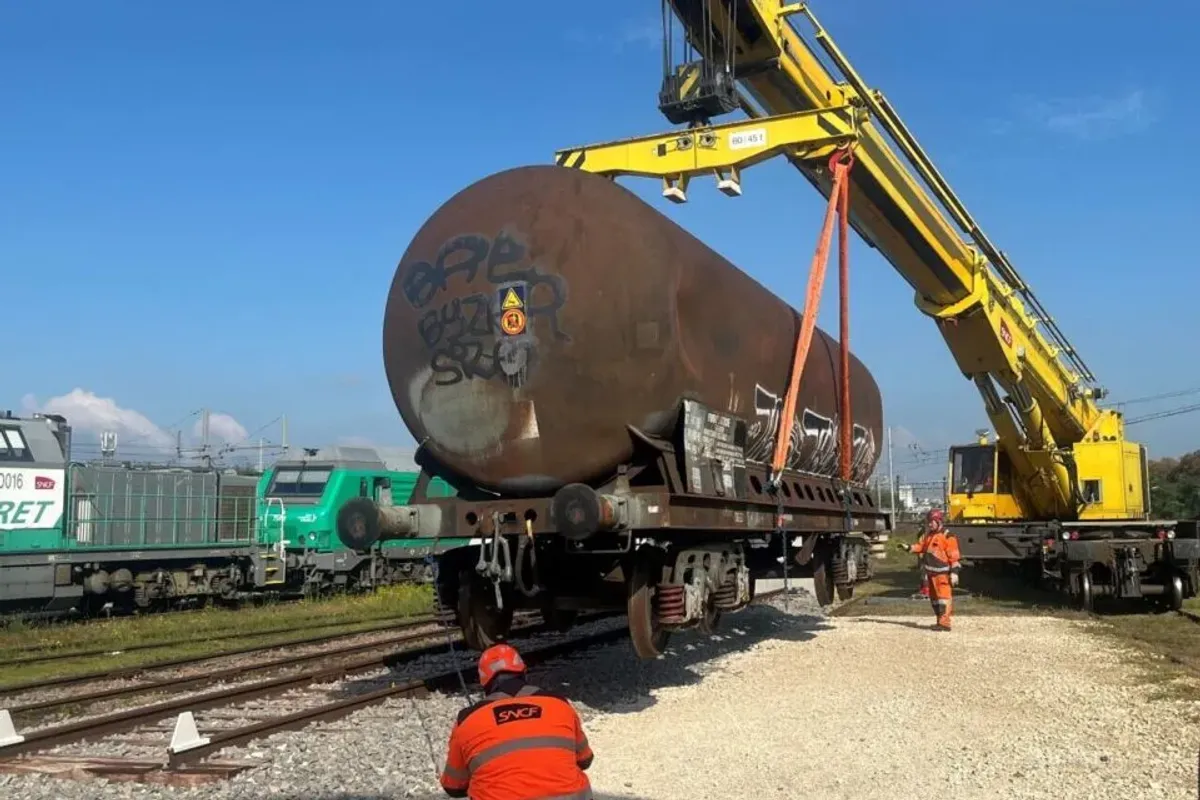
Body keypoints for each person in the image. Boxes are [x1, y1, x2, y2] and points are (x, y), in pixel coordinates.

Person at [439, 643, 594, 800]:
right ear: (523, 672)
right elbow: (585, 760)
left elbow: (453, 787)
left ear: (485, 683)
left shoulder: (467, 720)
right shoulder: (559, 704)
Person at [902, 508, 961, 631]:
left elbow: (954, 557)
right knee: (935, 600)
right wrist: (908, 548)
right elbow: (921, 547)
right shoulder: (929, 535)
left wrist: (954, 573)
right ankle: (939, 621)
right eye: (928, 522)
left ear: (939, 521)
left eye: (932, 521)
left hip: (942, 574)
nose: (929, 524)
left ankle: (945, 623)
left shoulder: (948, 536)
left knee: (944, 599)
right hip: (931, 574)